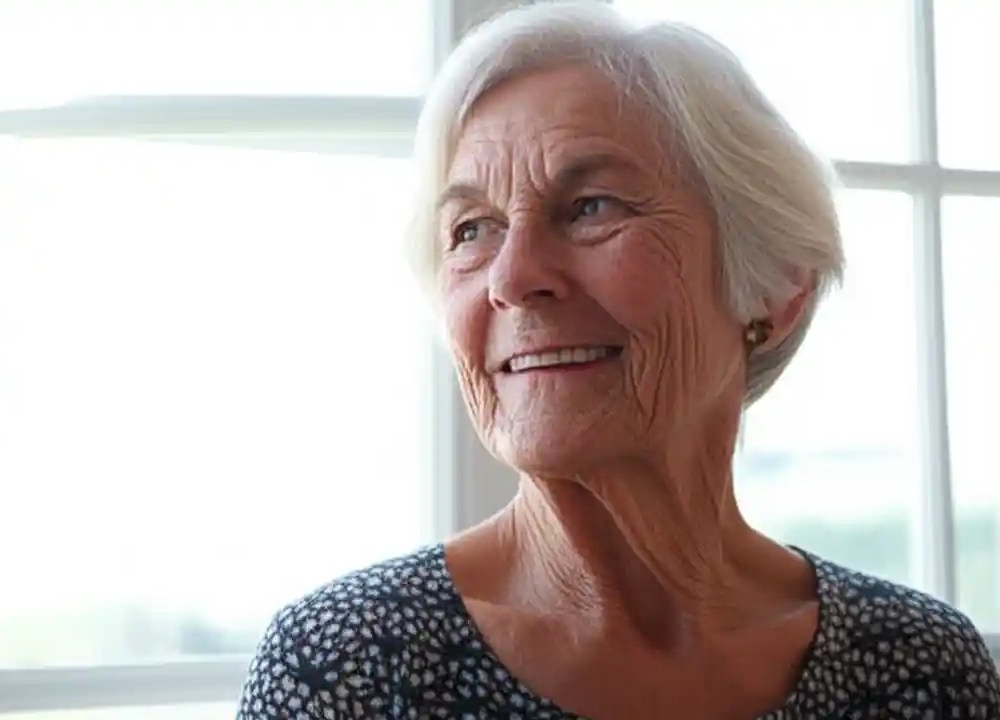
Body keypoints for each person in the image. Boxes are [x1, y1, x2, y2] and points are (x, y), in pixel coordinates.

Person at [236, 2, 1000, 717]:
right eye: (471, 228)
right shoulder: (348, 668)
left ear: (776, 283)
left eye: (592, 206)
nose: (511, 279)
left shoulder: (923, 669)